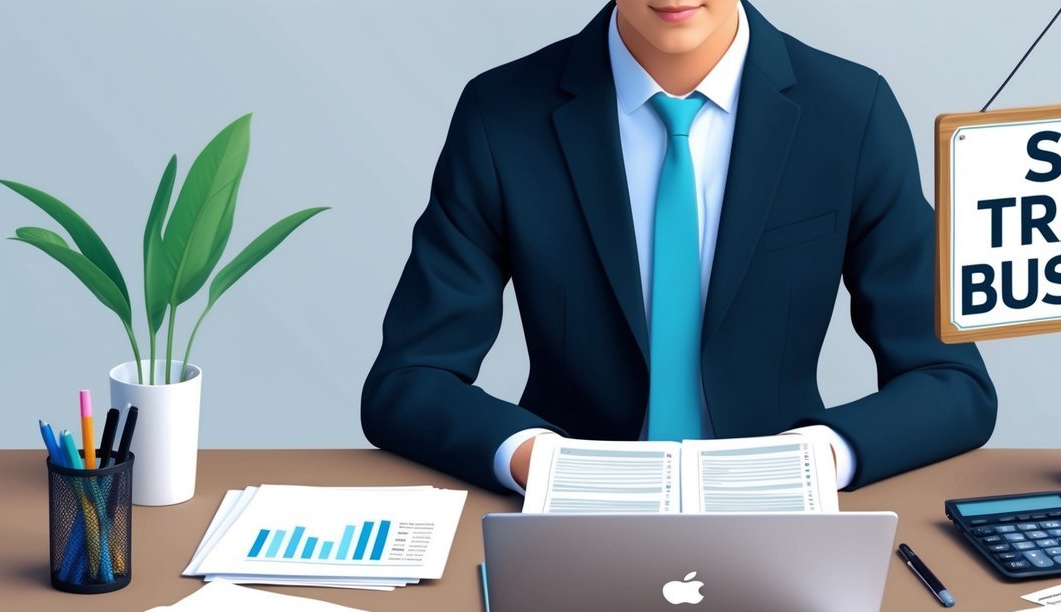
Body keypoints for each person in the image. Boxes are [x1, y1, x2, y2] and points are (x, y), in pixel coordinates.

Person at [362, 0, 997, 495]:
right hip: (563, 513)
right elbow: (409, 379)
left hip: (785, 510)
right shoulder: (501, 114)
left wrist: (818, 457)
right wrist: (541, 460)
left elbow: (951, 382)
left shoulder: (850, 110)